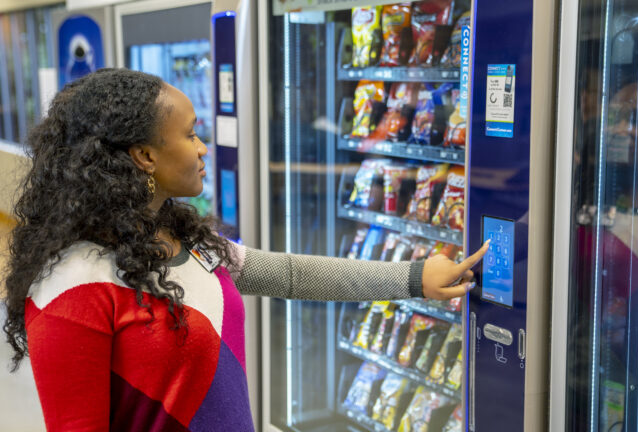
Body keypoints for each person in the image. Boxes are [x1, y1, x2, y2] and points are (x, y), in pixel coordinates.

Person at [1, 68, 487, 431]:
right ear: (145, 156)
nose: (204, 148)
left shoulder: (189, 242)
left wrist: (413, 279)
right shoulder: (71, 287)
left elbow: (292, 275)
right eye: (190, 134)